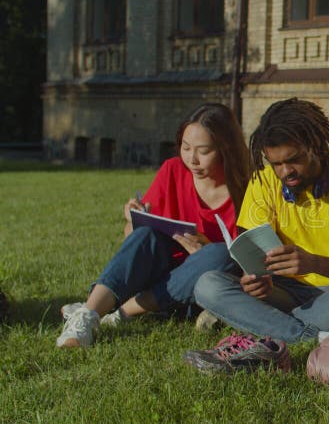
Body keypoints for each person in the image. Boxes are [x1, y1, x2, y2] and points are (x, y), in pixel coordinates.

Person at [185, 98, 329, 367]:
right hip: (281, 291)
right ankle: (315, 337)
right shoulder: (263, 181)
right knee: (207, 285)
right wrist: (256, 281)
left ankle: (265, 326)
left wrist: (313, 262)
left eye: (294, 160)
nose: (285, 172)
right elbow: (254, 255)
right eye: (276, 164)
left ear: (316, 147)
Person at [57, 103, 251, 348]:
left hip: (204, 285)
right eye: (186, 147)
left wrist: (205, 252)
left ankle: (124, 311)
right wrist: (133, 221)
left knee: (221, 254)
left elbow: (247, 263)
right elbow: (134, 242)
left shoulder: (247, 189)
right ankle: (87, 316)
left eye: (203, 151)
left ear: (226, 149)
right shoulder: (172, 170)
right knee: (146, 234)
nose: (192, 159)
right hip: (159, 271)